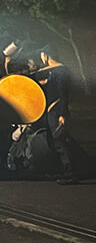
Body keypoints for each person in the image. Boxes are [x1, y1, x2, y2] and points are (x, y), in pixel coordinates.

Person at [37, 46, 77, 184]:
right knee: (54, 141)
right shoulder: (55, 72)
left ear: (46, 55)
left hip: (56, 110)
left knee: (60, 142)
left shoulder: (60, 71)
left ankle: (70, 173)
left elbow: (62, 93)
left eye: (42, 55)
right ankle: (61, 170)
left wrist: (62, 114)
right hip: (53, 110)